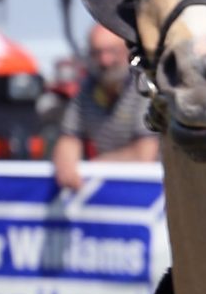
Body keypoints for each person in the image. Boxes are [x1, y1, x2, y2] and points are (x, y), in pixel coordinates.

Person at [53, 24, 157, 190]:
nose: (105, 61)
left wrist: (92, 168)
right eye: (97, 53)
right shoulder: (86, 91)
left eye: (112, 51)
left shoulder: (144, 89)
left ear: (127, 52)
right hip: (107, 191)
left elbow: (145, 154)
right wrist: (66, 165)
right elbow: (69, 137)